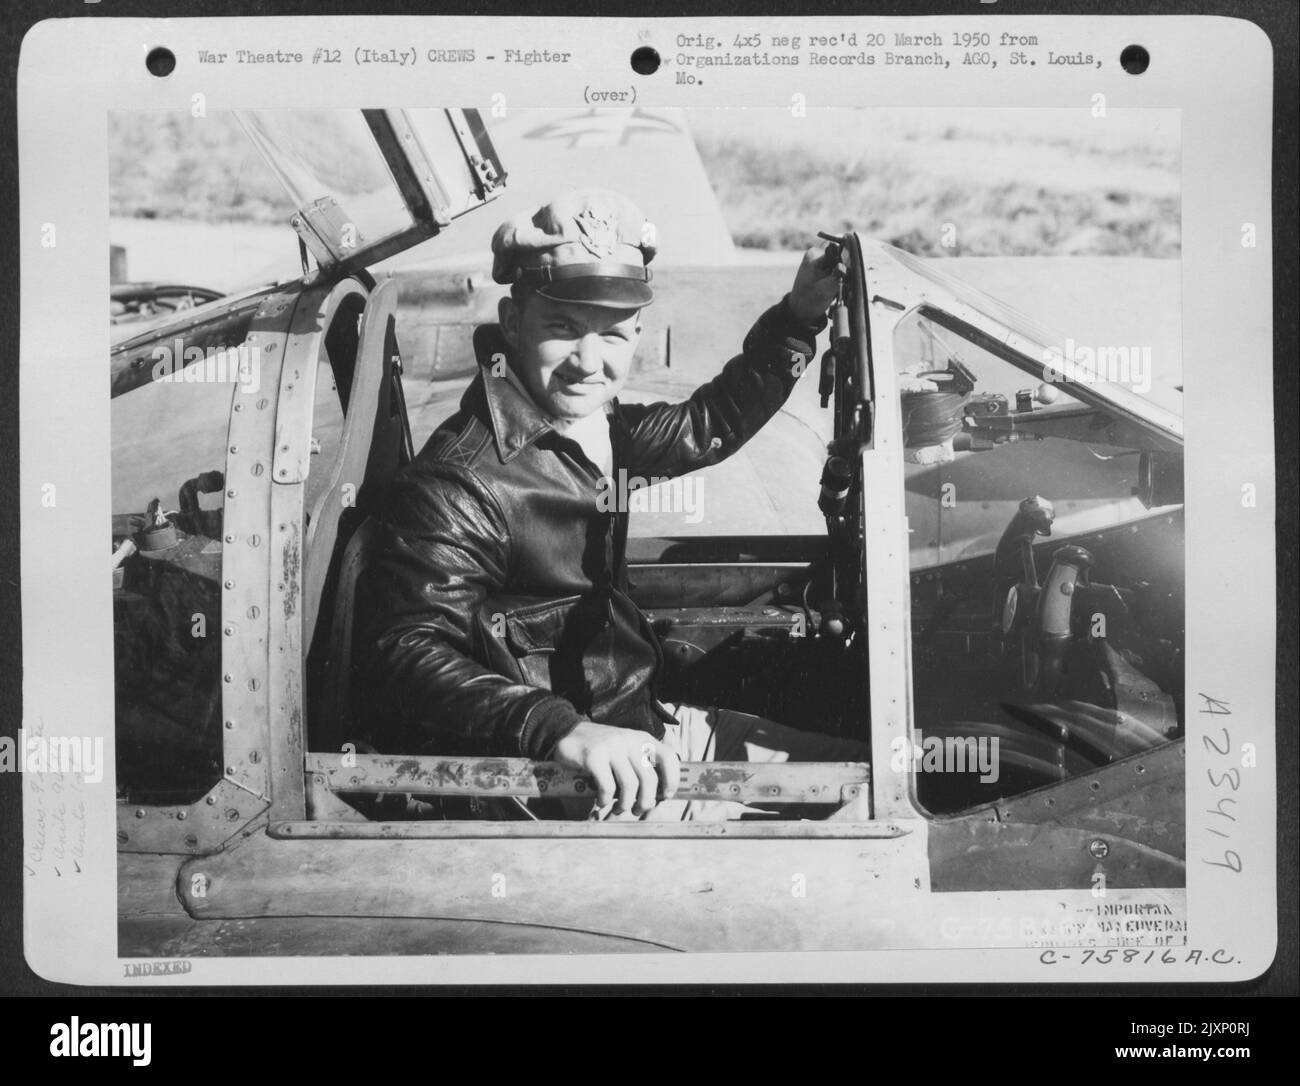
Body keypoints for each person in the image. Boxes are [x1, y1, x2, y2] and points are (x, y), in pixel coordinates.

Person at [356, 188, 868, 820]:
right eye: (563, 329)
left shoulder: (588, 428)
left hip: (639, 719)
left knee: (873, 770)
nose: (589, 362)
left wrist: (798, 317)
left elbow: (704, 425)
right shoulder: (461, 484)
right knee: (871, 818)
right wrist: (558, 729)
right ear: (513, 324)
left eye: (613, 334)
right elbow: (404, 649)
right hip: (584, 781)